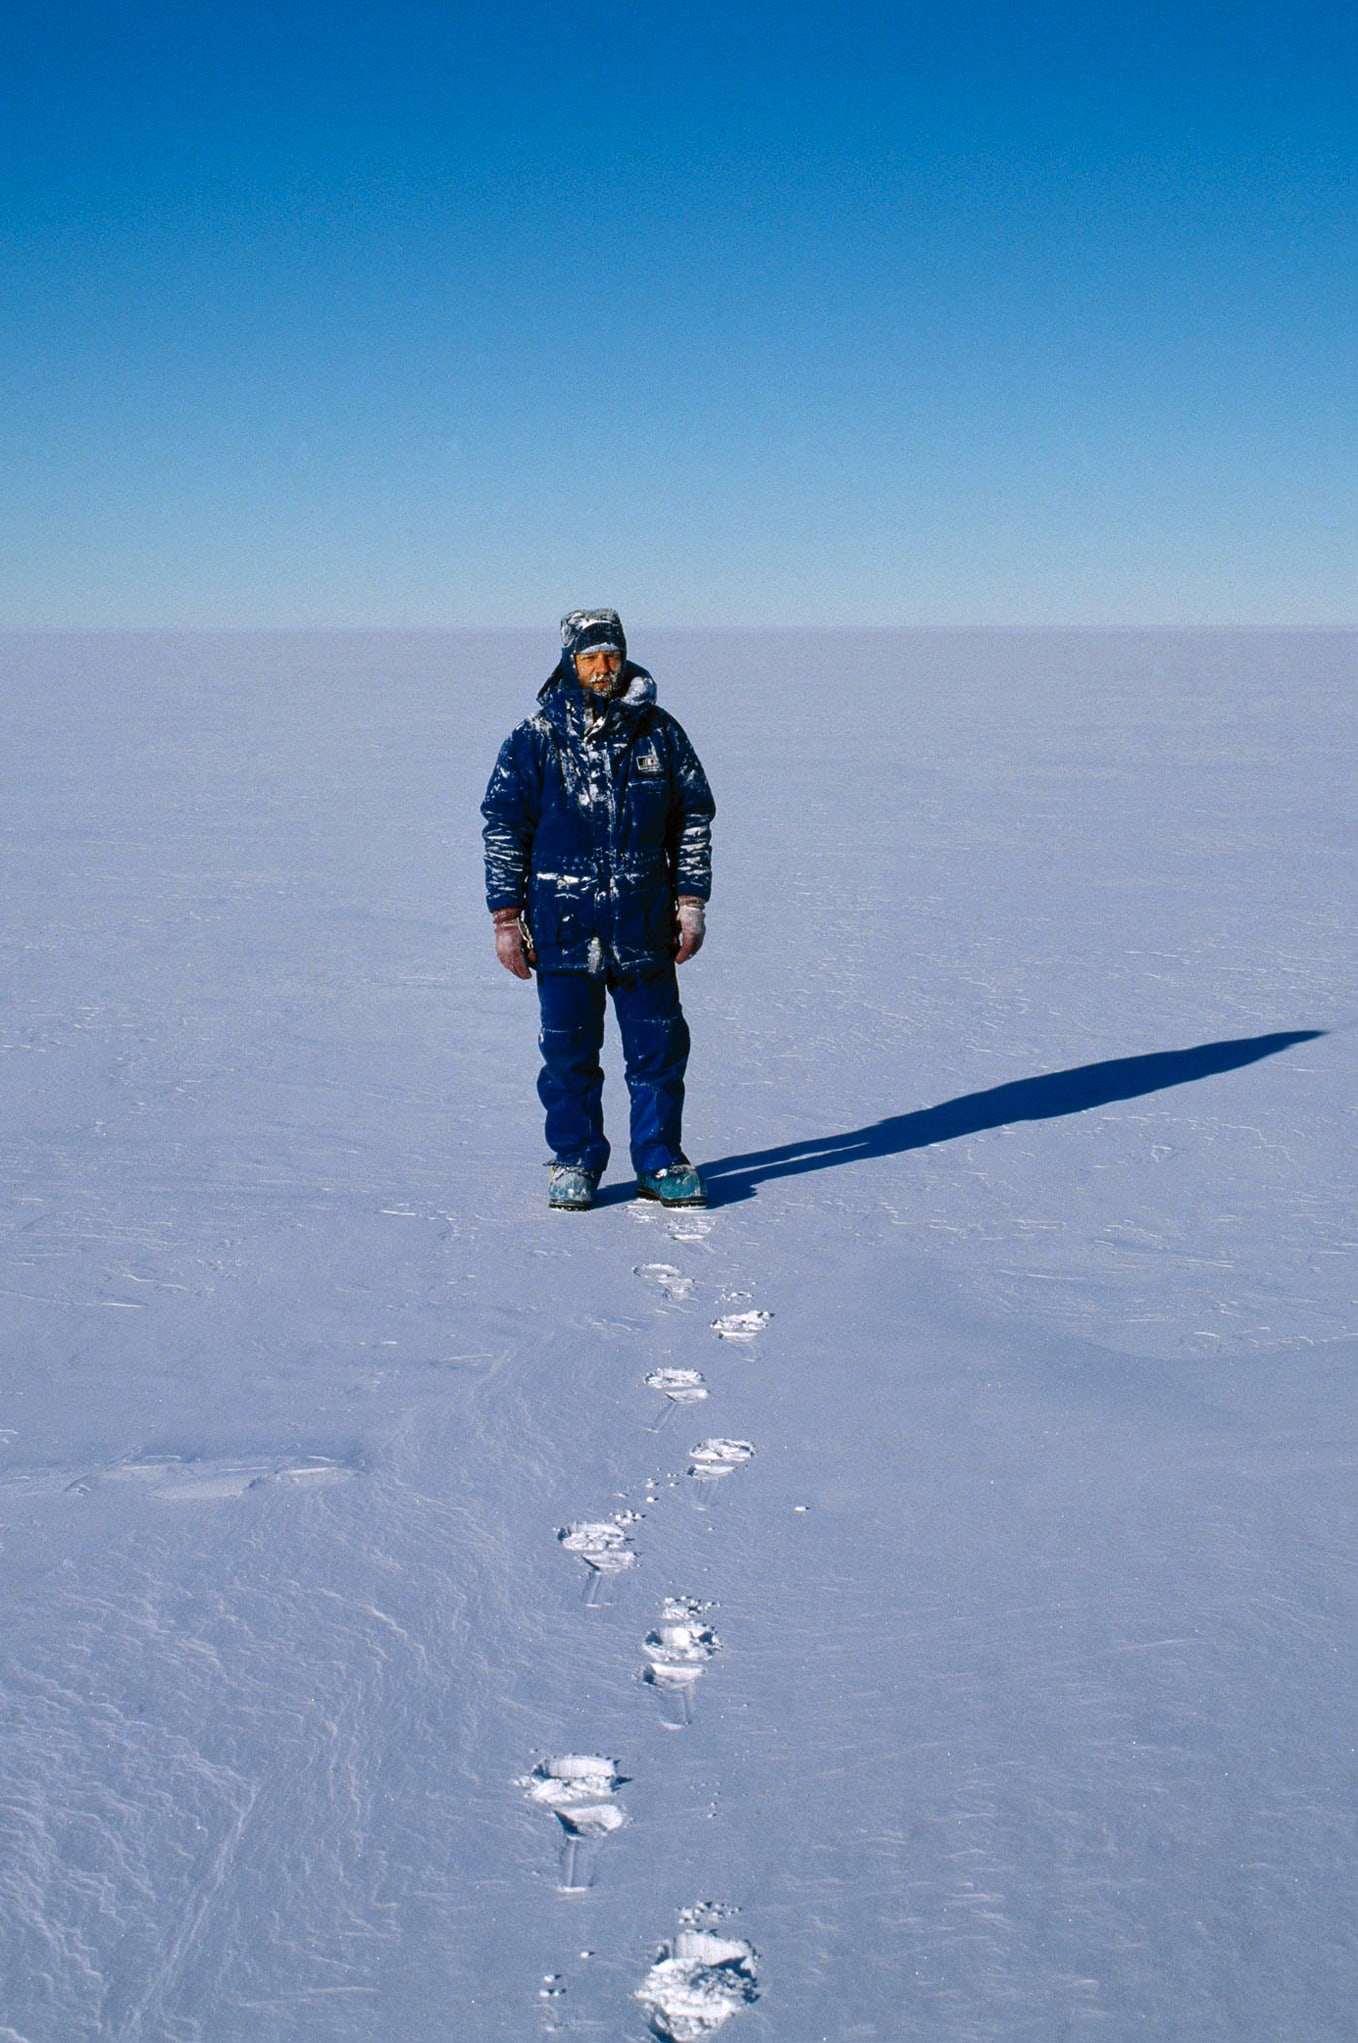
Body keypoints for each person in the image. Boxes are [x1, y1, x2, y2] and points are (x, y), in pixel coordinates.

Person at [481, 609, 715, 1211]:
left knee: (658, 1051)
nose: (603, 668)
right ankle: (576, 1161)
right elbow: (505, 828)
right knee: (568, 1054)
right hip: (563, 925)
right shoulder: (534, 738)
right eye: (590, 658)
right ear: (569, 661)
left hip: (642, 922)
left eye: (611, 655)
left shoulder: (659, 735)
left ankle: (660, 1160)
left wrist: (690, 904)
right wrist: (507, 920)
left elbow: (692, 817)